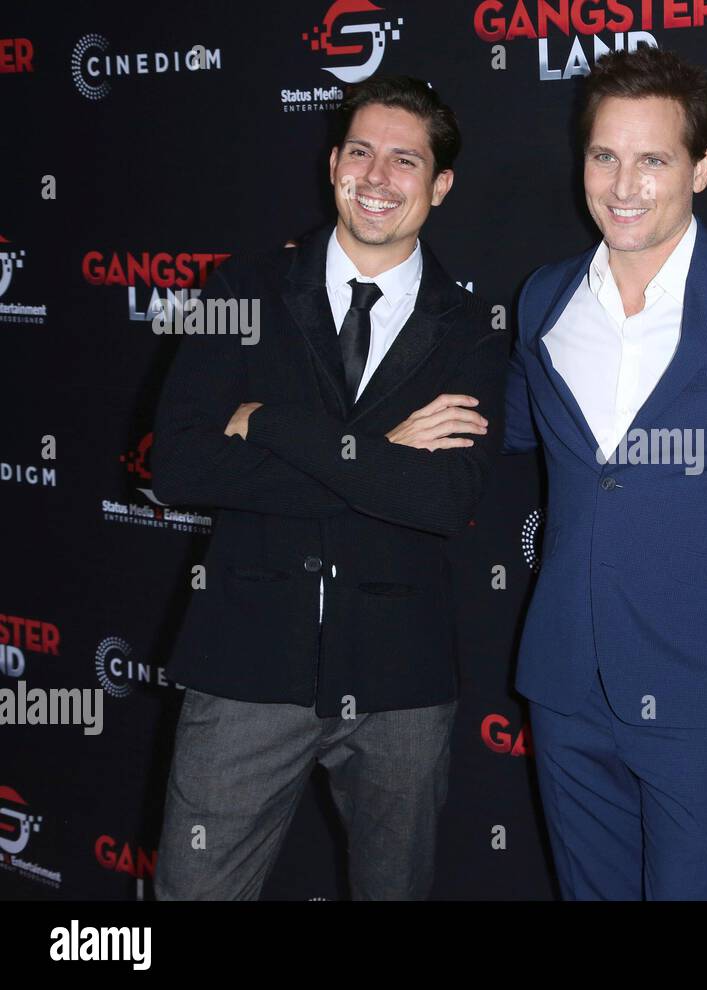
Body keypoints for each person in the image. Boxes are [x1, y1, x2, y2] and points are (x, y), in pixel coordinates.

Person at [150, 75, 508, 900]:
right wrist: (383, 454)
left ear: (440, 185)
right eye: (360, 152)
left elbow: (442, 499)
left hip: (402, 686)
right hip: (245, 667)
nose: (377, 177)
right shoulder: (243, 291)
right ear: (333, 162)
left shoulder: (470, 328)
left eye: (405, 160)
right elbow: (181, 466)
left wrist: (272, 423)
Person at [502, 47, 707, 899]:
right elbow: (502, 441)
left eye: (653, 159)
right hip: (567, 685)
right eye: (604, 155)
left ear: (702, 166)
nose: (624, 184)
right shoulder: (543, 299)